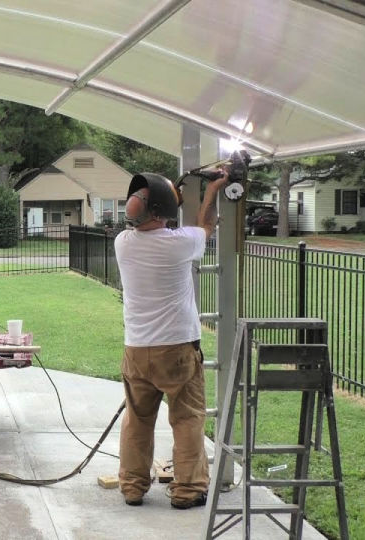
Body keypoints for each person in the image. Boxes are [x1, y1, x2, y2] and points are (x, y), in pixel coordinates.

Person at [114, 170, 228, 509]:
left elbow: (160, 216)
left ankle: (133, 487)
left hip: (137, 349)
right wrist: (211, 192)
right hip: (177, 349)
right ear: (164, 211)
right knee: (188, 418)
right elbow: (207, 225)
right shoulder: (180, 243)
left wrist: (169, 193)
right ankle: (189, 489)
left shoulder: (123, 243)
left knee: (137, 420)